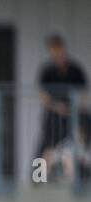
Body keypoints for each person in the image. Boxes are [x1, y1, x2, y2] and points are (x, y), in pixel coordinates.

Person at [36, 34, 90, 180]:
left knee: (73, 148)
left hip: (73, 115)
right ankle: (40, 180)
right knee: (47, 148)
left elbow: (84, 94)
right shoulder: (47, 71)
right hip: (54, 116)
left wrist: (75, 108)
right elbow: (43, 97)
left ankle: (74, 181)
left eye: (58, 49)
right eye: (53, 50)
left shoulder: (75, 69)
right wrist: (57, 107)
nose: (57, 53)